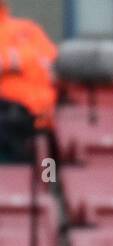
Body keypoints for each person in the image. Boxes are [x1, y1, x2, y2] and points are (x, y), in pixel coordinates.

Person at [0, 0, 56, 162]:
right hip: (33, 110)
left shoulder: (25, 30)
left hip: (23, 110)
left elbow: (50, 62)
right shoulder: (29, 29)